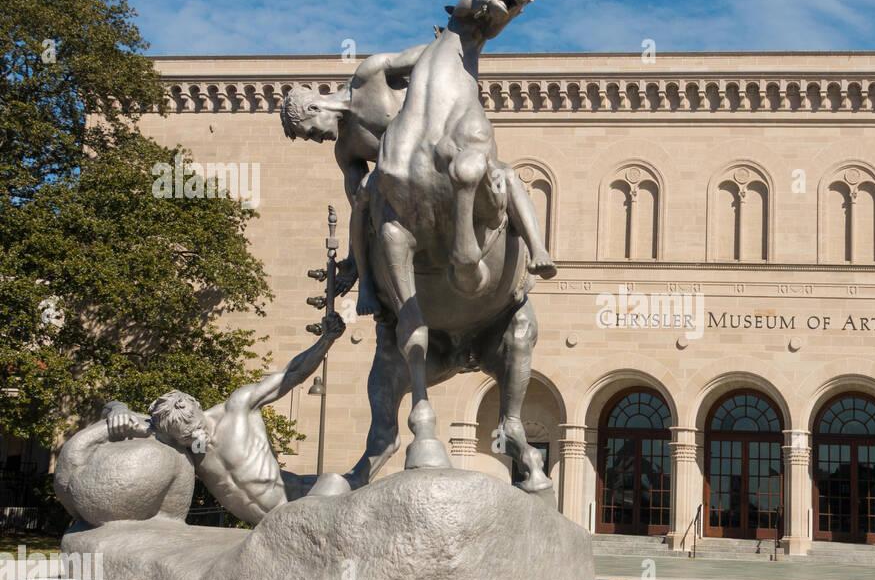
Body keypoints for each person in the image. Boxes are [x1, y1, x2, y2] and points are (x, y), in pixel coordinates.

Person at [280, 44, 555, 316]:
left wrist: (447, 43)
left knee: (504, 174)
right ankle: (367, 284)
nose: (319, 139)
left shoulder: (369, 76)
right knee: (363, 195)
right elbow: (357, 210)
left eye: (312, 132)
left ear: (314, 108)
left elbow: (424, 58)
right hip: (403, 190)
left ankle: (537, 248)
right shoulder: (346, 150)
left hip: (441, 150)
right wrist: (353, 262)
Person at [102, 313, 348, 525]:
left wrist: (327, 339)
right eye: (187, 439)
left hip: (300, 502)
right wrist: (117, 408)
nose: (198, 438)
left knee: (336, 482)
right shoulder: (172, 430)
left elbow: (291, 374)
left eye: (197, 428)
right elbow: (121, 414)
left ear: (198, 407)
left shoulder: (238, 407)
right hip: (269, 527)